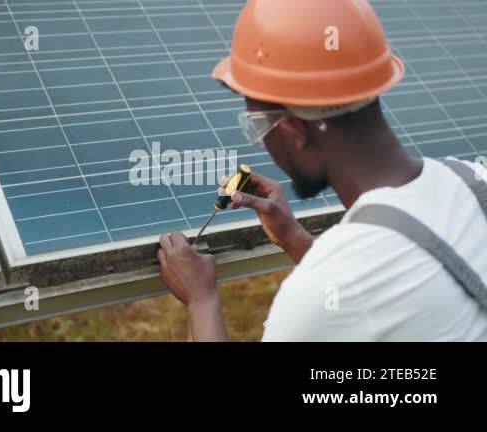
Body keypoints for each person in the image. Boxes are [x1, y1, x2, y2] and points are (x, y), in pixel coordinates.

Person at [156, 0, 487, 341]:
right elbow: (381, 282)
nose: (260, 144)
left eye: (256, 126)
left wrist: (201, 300)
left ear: (296, 132)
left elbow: (357, 285)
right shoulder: (471, 180)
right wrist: (293, 238)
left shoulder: (314, 295)